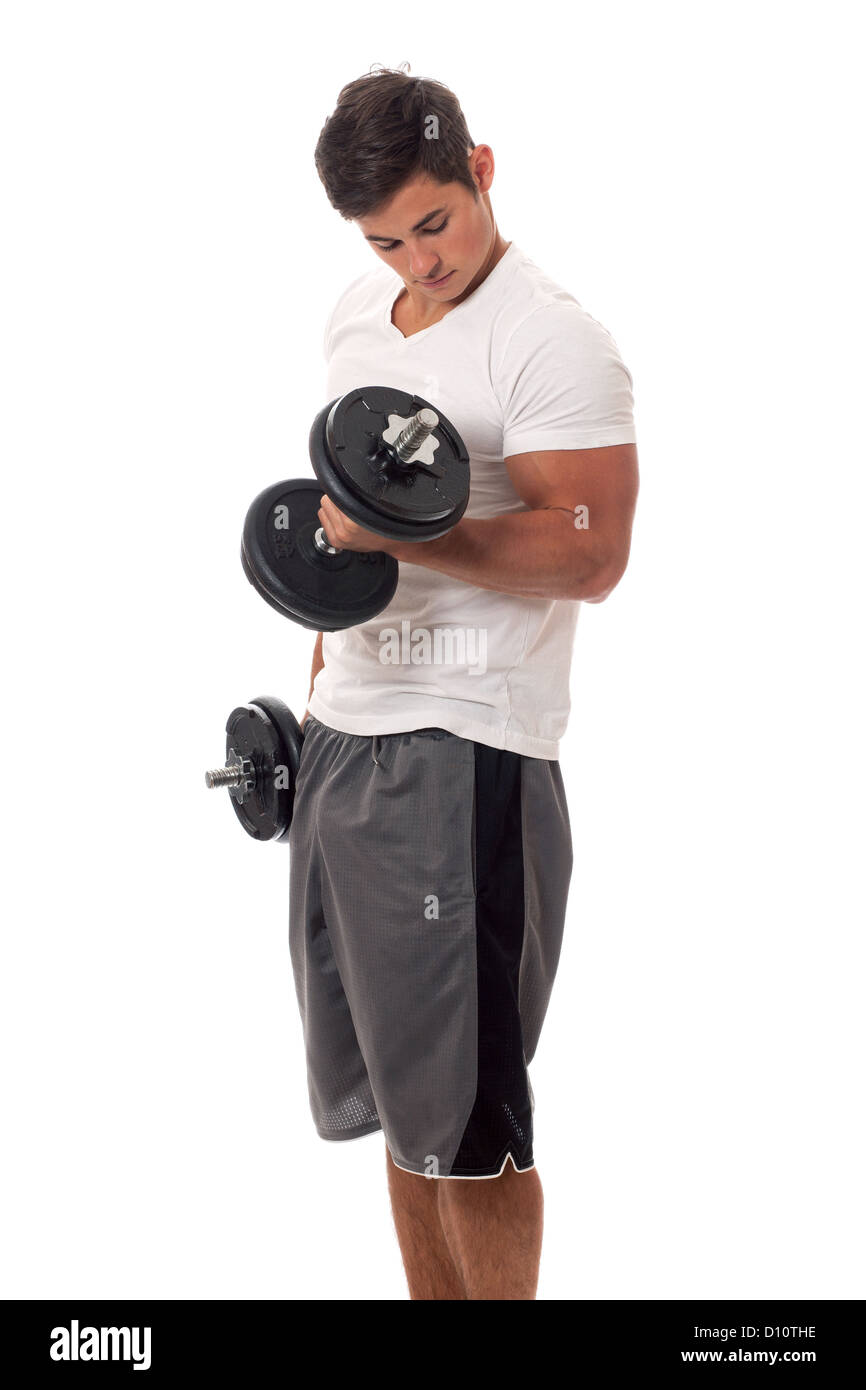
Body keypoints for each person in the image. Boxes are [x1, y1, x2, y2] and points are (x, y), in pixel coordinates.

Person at [288, 66, 639, 1300]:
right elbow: (347, 513)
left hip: (468, 751)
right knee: (401, 1105)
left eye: (432, 224)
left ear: (481, 168)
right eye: (385, 239)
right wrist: (323, 666)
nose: (415, 261)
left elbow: (590, 551)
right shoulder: (355, 314)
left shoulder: (551, 337)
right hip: (346, 741)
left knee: (474, 1127)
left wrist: (413, 541)